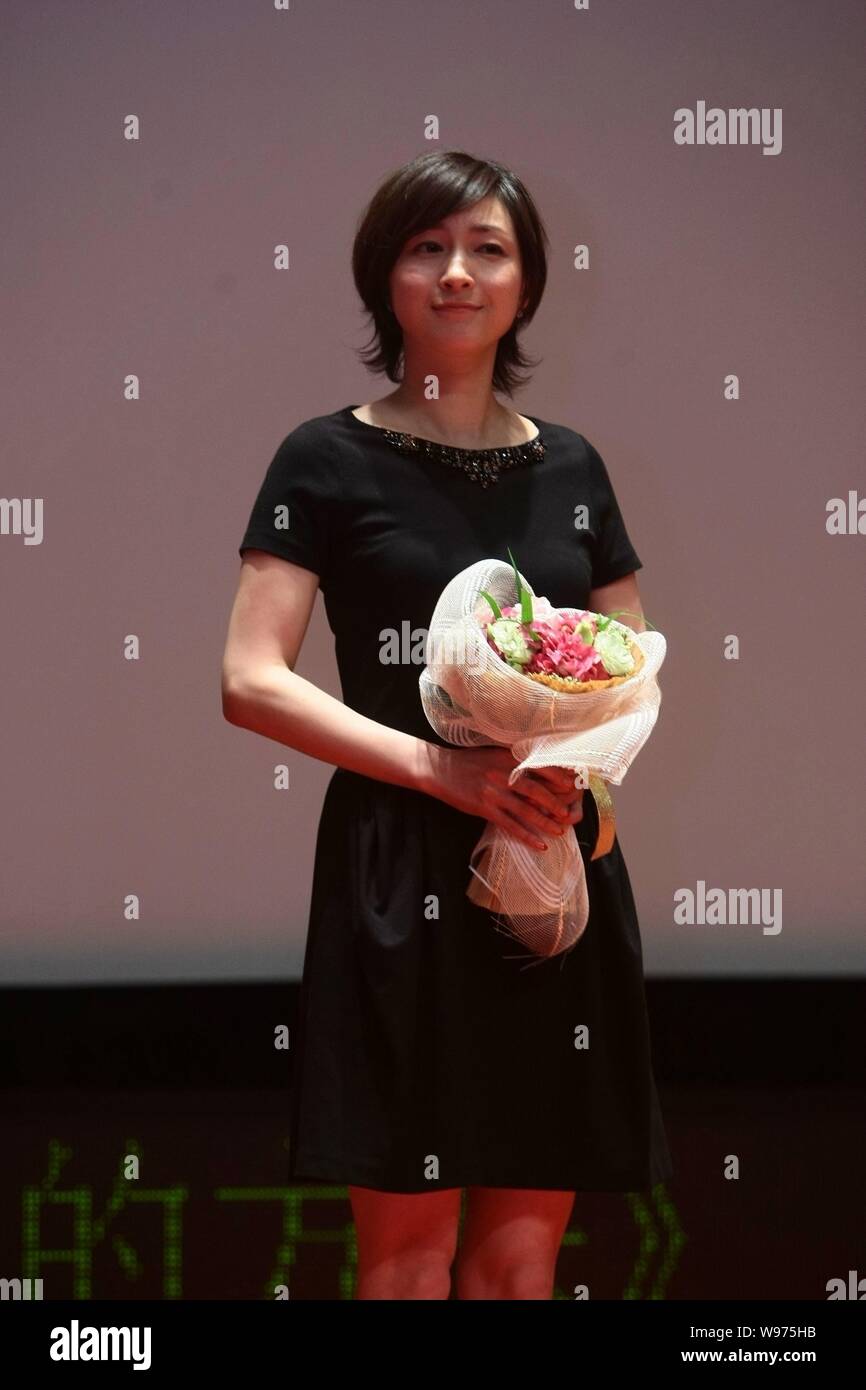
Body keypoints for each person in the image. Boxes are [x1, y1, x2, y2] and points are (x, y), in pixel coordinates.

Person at [221, 150, 673, 1300]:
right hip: (397, 865)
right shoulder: (322, 458)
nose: (456, 273)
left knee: (522, 1266)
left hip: (551, 857)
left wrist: (568, 777)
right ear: (385, 280)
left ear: (525, 284)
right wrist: (441, 771)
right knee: (408, 1264)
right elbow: (248, 678)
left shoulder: (571, 465)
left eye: (487, 249)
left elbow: (630, 668)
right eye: (427, 249)